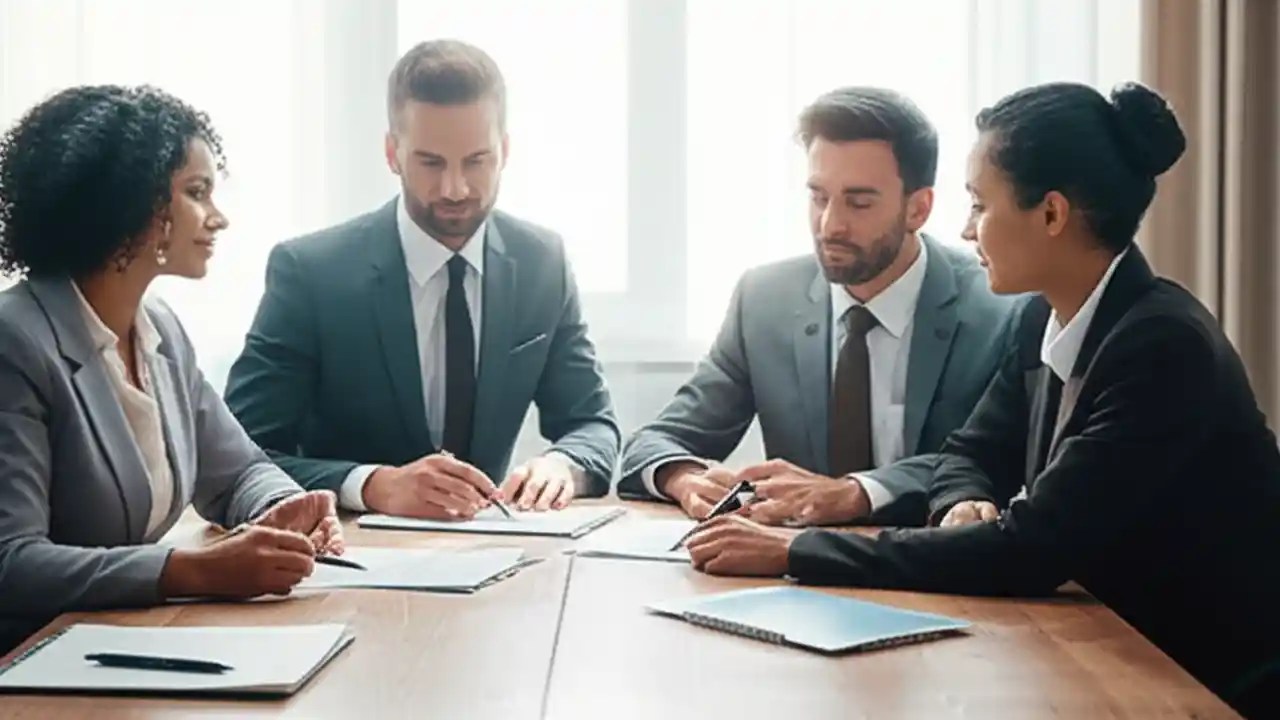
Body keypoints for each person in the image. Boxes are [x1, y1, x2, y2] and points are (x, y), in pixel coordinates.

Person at [679, 81, 1280, 718]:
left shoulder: (1161, 346)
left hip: (1208, 678)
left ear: (1051, 215)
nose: (965, 231)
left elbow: (1030, 549)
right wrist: (962, 500)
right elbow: (969, 451)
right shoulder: (1042, 320)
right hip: (1110, 645)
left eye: (977, 204)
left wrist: (793, 551)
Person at [0, 85, 344, 654]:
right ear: (129, 205)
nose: (218, 217)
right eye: (196, 193)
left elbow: (236, 472)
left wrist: (281, 510)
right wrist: (194, 571)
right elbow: (12, 561)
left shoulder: (158, 329)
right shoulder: (17, 341)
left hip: (116, 648)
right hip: (29, 667)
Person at [224, 40, 619, 520]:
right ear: (392, 152)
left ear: (506, 151)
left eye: (477, 161)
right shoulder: (310, 273)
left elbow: (592, 424)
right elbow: (238, 456)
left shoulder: (542, 262)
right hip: (348, 557)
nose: (456, 189)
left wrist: (563, 464)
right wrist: (372, 485)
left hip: (496, 557)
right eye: (431, 163)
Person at [618, 87, 1022, 526]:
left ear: (918, 209)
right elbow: (656, 441)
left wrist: (855, 494)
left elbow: (988, 466)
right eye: (818, 197)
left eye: (859, 202)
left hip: (929, 571)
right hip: (790, 572)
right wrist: (683, 477)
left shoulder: (998, 308)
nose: (830, 225)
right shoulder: (765, 300)